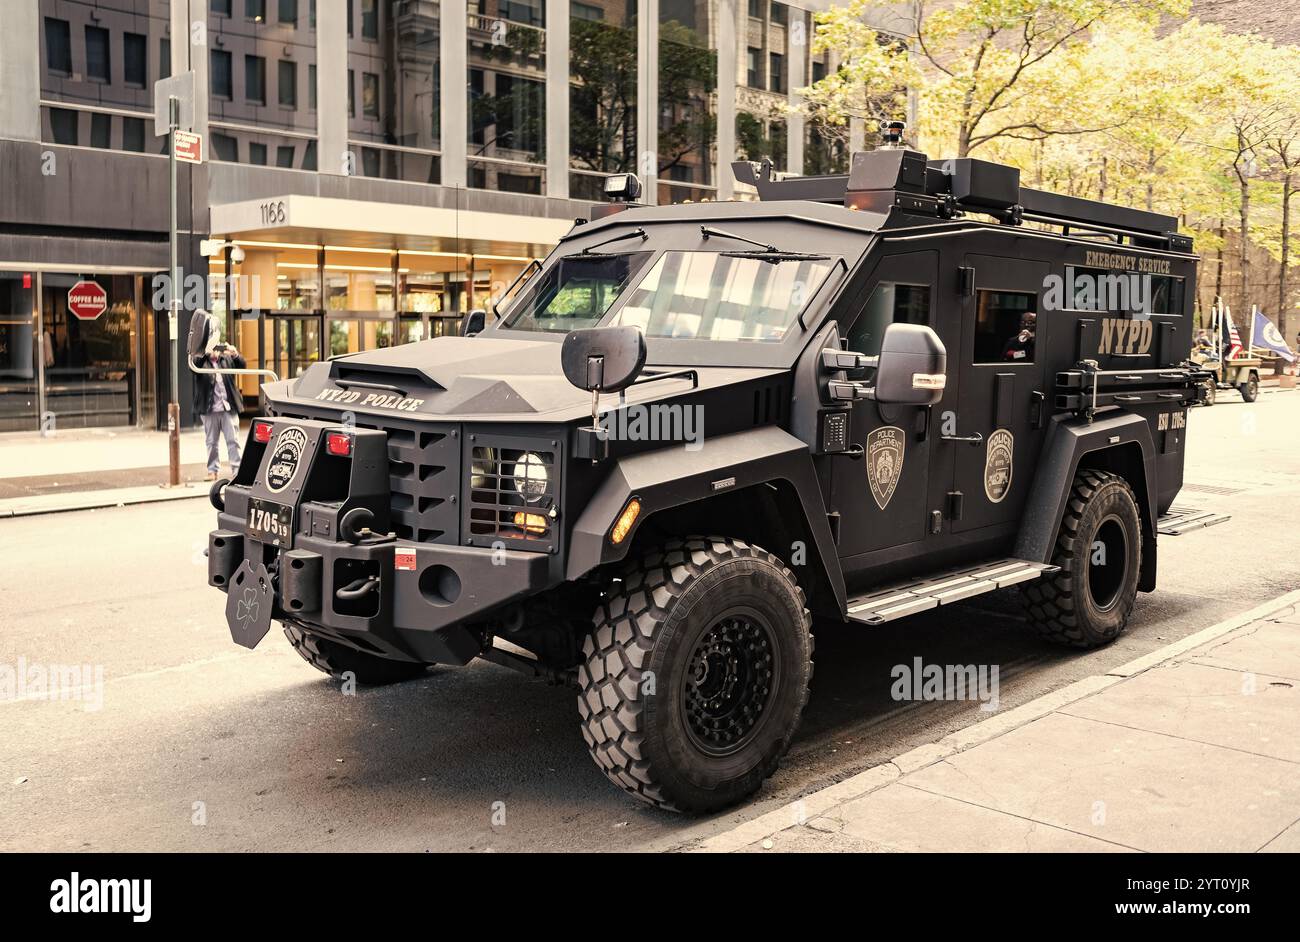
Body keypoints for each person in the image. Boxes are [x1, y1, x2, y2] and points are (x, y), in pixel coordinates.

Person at [192, 324, 245, 481]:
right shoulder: (201, 360)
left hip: (228, 408)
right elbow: (194, 366)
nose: (215, 351)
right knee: (211, 442)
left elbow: (242, 365)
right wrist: (203, 352)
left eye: (216, 347)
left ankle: (237, 472)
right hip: (210, 410)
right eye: (212, 347)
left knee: (233, 441)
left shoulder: (226, 359)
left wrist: (235, 353)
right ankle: (212, 471)